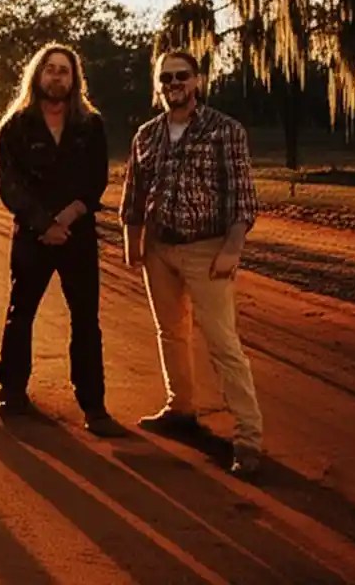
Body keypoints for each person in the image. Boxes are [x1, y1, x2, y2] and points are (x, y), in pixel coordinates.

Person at [119, 50, 264, 478]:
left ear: (197, 81)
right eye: (165, 78)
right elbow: (134, 192)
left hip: (208, 248)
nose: (173, 84)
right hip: (159, 248)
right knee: (171, 332)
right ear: (158, 85)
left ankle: (248, 437)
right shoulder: (147, 135)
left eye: (181, 76)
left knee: (222, 343)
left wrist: (233, 246)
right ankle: (180, 407)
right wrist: (132, 241)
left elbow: (241, 195)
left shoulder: (224, 130)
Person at [0, 43, 127, 437]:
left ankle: (94, 406)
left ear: (74, 78)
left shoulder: (91, 126)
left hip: (77, 233)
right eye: (49, 69)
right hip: (32, 235)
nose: (56, 76)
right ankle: (12, 391)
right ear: (37, 76)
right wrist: (42, 224)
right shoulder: (15, 126)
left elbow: (96, 178)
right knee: (21, 313)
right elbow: (9, 184)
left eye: (63, 70)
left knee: (85, 319)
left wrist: (69, 216)